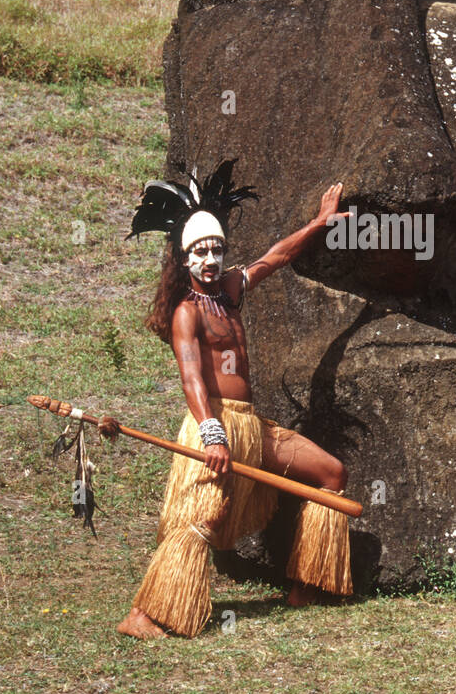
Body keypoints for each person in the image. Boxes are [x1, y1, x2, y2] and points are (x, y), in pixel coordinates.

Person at [117, 162, 353, 639]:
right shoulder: (187, 313)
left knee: (330, 474)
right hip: (215, 426)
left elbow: (276, 257)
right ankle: (143, 614)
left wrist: (318, 223)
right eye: (201, 251)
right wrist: (211, 434)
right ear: (184, 259)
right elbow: (192, 381)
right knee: (200, 518)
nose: (210, 259)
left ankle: (308, 584)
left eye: (217, 249)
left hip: (251, 426)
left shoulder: (227, 293)